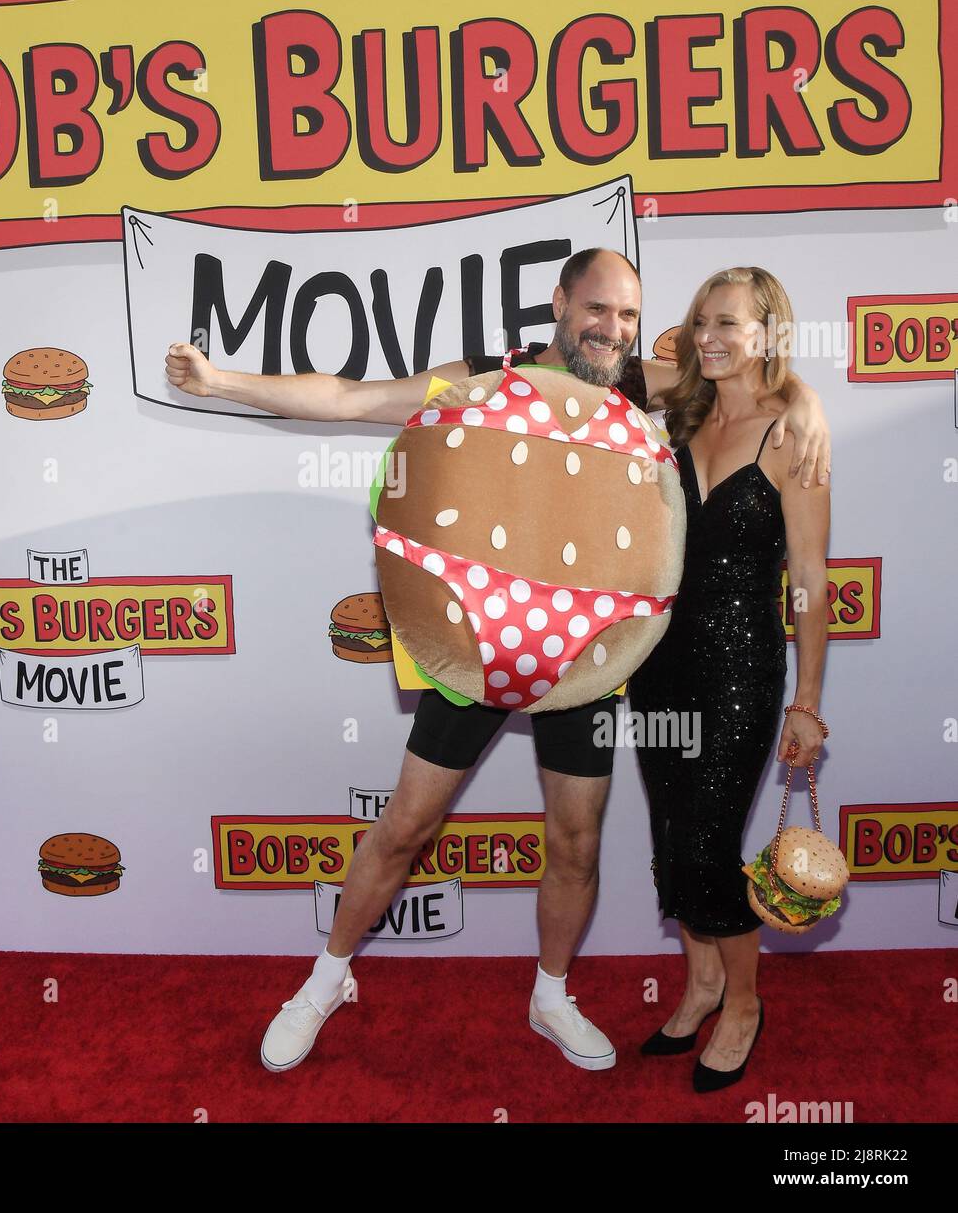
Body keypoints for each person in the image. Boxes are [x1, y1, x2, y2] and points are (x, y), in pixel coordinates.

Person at [164, 248, 831, 1075]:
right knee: (406, 826)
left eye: (629, 316)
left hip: (587, 659)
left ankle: (551, 995)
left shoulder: (638, 382)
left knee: (576, 841)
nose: (614, 330)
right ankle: (323, 982)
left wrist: (804, 400)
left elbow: (749, 381)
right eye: (598, 310)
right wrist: (221, 381)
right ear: (559, 301)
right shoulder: (485, 376)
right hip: (475, 647)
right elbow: (349, 397)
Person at [626, 266, 831, 1092]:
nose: (709, 336)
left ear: (768, 333)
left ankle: (743, 1002)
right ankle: (701, 980)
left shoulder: (795, 435)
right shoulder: (682, 409)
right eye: (701, 321)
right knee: (671, 839)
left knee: (711, 847)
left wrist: (808, 701)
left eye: (730, 324)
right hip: (656, 665)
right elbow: (597, 364)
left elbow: (810, 577)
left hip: (741, 670)